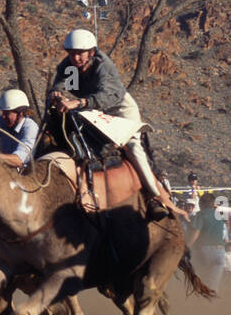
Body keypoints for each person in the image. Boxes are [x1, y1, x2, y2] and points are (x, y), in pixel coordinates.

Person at [48, 30, 181, 218]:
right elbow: (61, 84)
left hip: (119, 109)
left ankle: (154, 196)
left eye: (80, 53)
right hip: (93, 111)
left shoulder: (104, 67)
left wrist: (78, 103)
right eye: (71, 52)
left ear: (91, 52)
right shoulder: (68, 65)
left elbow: (106, 97)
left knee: (133, 148)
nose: (75, 57)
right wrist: (56, 94)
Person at [0, 88, 39, 168]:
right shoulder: (3, 121)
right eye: (3, 113)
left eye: (7, 113)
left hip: (21, 176)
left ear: (20, 113)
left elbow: (19, 161)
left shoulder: (30, 129)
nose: (3, 117)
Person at [186, 191, 228, 290]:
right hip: (220, 251)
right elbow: (225, 230)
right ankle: (211, 304)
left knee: (201, 281)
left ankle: (200, 303)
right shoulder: (219, 215)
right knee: (213, 285)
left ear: (201, 204)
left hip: (204, 251)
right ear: (213, 204)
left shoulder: (200, 215)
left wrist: (187, 247)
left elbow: (195, 233)